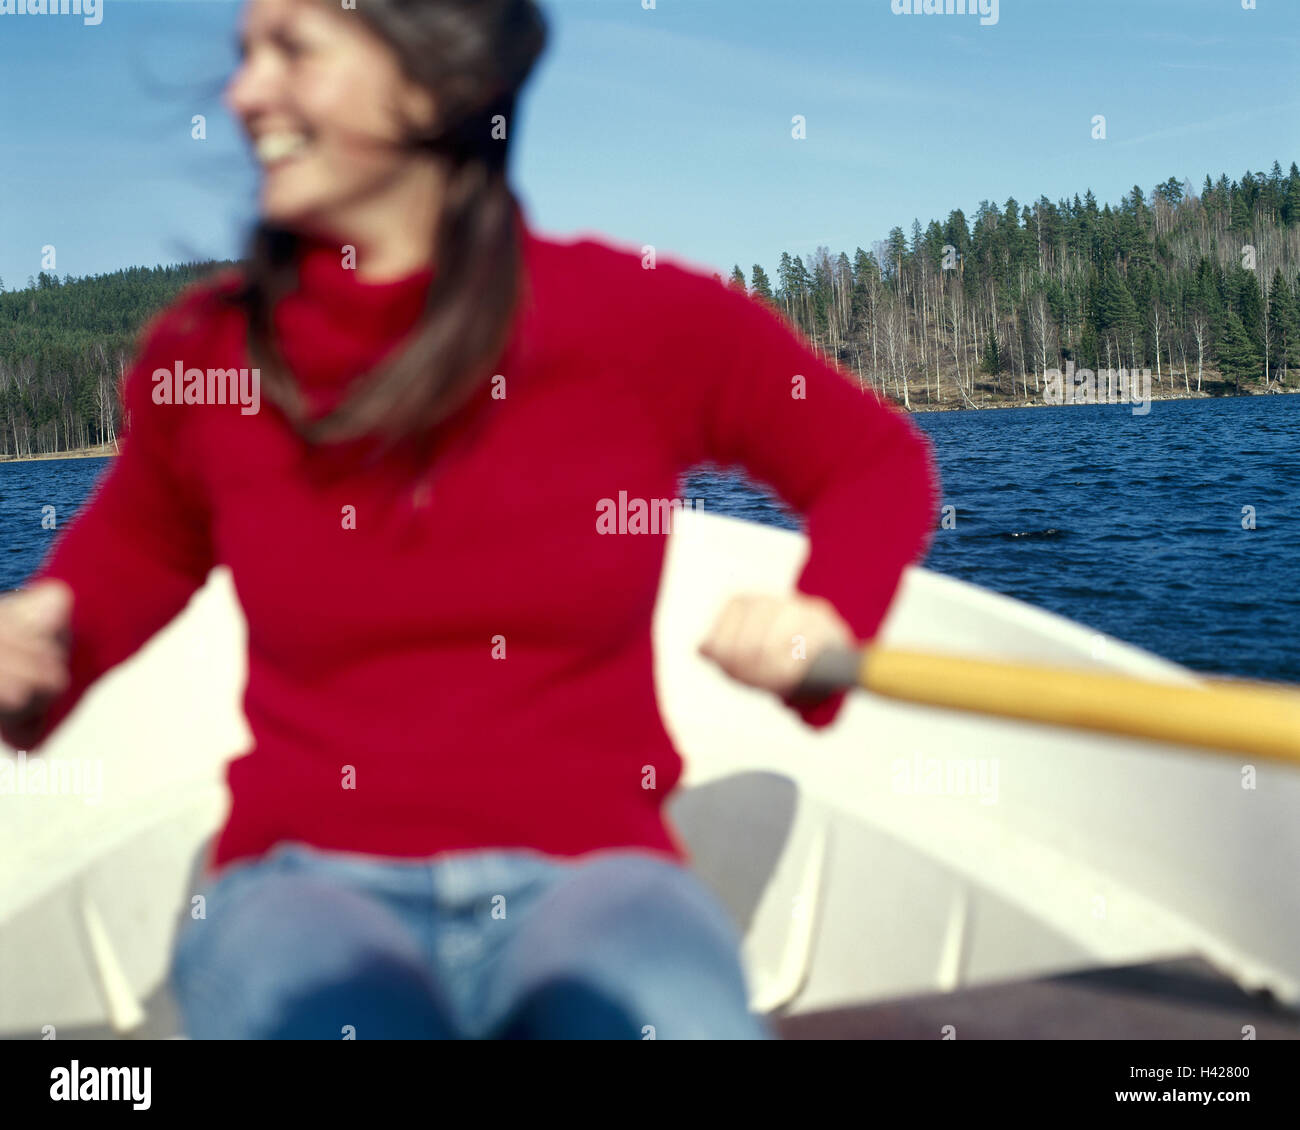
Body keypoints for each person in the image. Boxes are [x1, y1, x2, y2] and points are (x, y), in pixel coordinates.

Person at [0, 0, 937, 1039]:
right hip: (303, 880)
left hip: (596, 875)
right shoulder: (207, 355)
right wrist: (45, 638)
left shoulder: (636, 319)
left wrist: (823, 615)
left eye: (293, 50)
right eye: (244, 52)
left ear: (436, 81)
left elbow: (872, 463)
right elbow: (142, 544)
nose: (242, 91)